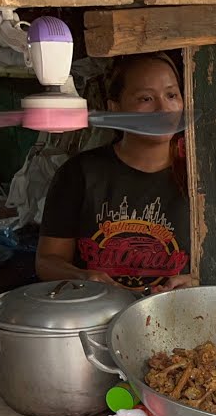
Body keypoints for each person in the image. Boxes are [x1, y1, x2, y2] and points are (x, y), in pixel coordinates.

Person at [37, 52, 196, 293]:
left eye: (172, 95)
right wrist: (82, 276)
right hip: (95, 317)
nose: (164, 109)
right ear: (115, 109)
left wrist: (197, 282)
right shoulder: (79, 174)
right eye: (145, 98)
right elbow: (47, 261)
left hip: (179, 316)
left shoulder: (200, 176)